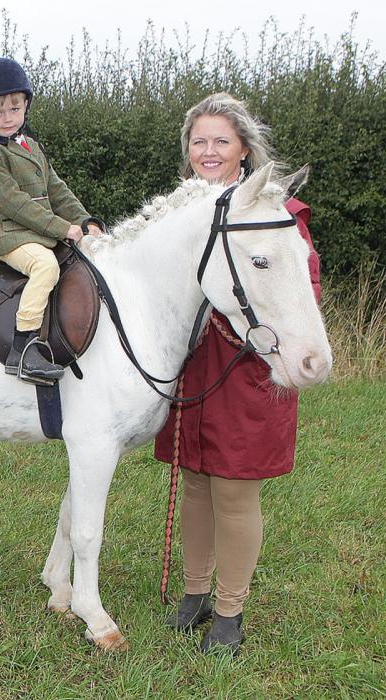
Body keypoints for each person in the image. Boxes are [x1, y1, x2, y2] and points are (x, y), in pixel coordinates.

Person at [155, 92, 322, 655]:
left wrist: (261, 337)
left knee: (233, 493)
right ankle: (195, 594)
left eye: (220, 141)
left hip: (251, 369)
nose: (208, 151)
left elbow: (300, 292)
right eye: (198, 141)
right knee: (196, 486)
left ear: (244, 151)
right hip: (192, 370)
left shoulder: (276, 216)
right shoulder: (183, 216)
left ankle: (230, 611)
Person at [0, 57, 102, 383]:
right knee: (46, 266)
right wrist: (62, 228)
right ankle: (24, 347)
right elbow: (16, 205)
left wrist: (84, 221)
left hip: (35, 230)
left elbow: (57, 191)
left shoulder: (32, 146)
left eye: (14, 109)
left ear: (26, 105)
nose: (7, 118)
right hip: (9, 233)